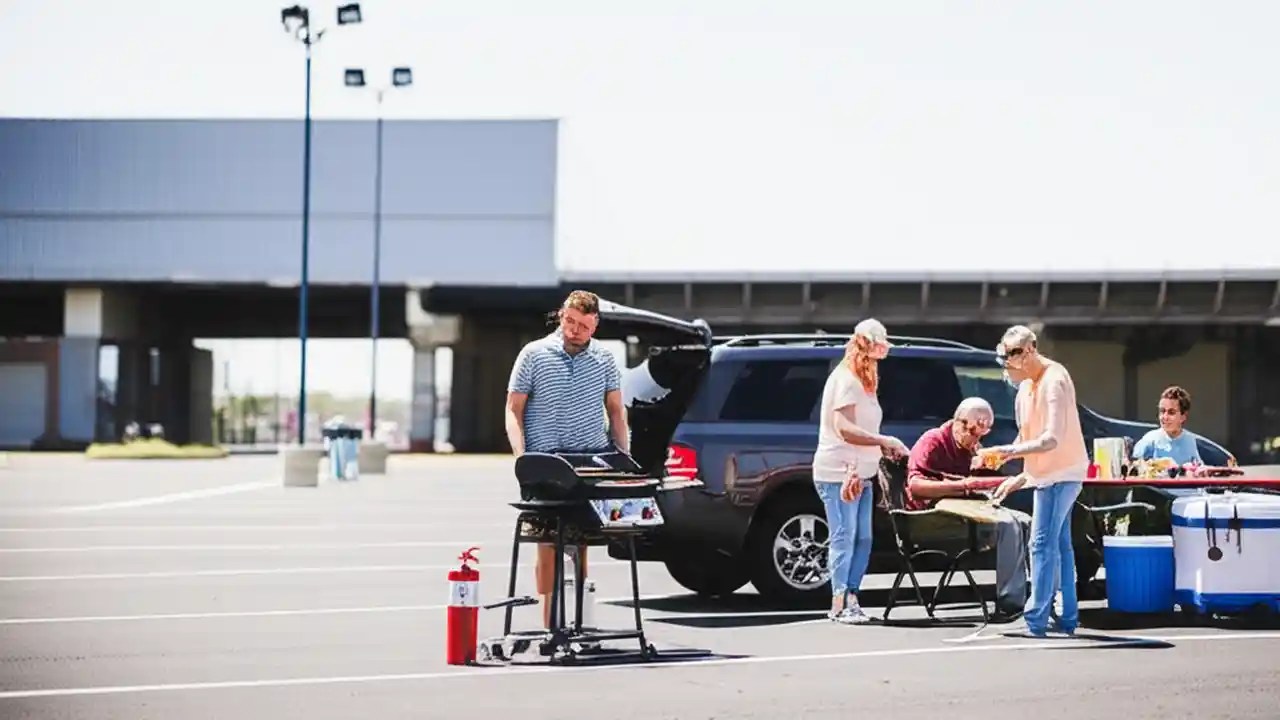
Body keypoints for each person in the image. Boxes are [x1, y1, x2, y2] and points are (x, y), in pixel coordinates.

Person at [504, 290, 630, 628]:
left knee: (580, 541)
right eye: (569, 321)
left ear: (595, 326)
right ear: (561, 315)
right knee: (546, 541)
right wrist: (522, 459)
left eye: (583, 326)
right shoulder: (533, 354)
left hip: (588, 464)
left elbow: (616, 413)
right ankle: (549, 625)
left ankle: (577, 620)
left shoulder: (604, 360)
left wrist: (623, 459)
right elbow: (513, 410)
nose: (574, 330)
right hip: (544, 465)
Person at [983, 325, 1090, 637]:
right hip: (1047, 474)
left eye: (1009, 361)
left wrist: (1008, 452)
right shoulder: (1026, 388)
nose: (1006, 370)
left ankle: (1036, 619)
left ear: (1027, 352)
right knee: (1059, 545)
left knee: (1040, 544)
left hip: (1062, 473)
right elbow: (1029, 437)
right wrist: (1016, 474)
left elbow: (1051, 439)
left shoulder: (1054, 379)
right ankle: (1067, 618)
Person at [812, 318, 910, 624]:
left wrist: (881, 447)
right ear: (863, 348)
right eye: (875, 350)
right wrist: (884, 440)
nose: (879, 358)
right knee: (845, 536)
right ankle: (840, 602)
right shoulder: (846, 380)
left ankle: (852, 595)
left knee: (863, 538)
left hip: (862, 472)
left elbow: (863, 428)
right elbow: (843, 428)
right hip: (839, 472)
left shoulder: (862, 381)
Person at [906, 397, 1031, 621]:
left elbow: (976, 482)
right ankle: (1009, 603)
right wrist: (964, 485)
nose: (977, 439)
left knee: (1026, 521)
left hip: (965, 508)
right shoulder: (933, 440)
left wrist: (987, 469)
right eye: (973, 432)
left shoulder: (972, 448)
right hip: (930, 516)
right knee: (1007, 525)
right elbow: (915, 486)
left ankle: (1032, 598)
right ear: (958, 422)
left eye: (983, 434)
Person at [1132, 385, 1202, 467]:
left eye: (1171, 412)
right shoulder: (1149, 440)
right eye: (1162, 411)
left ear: (1183, 417)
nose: (1165, 417)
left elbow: (1198, 469)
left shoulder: (1191, 441)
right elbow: (1133, 467)